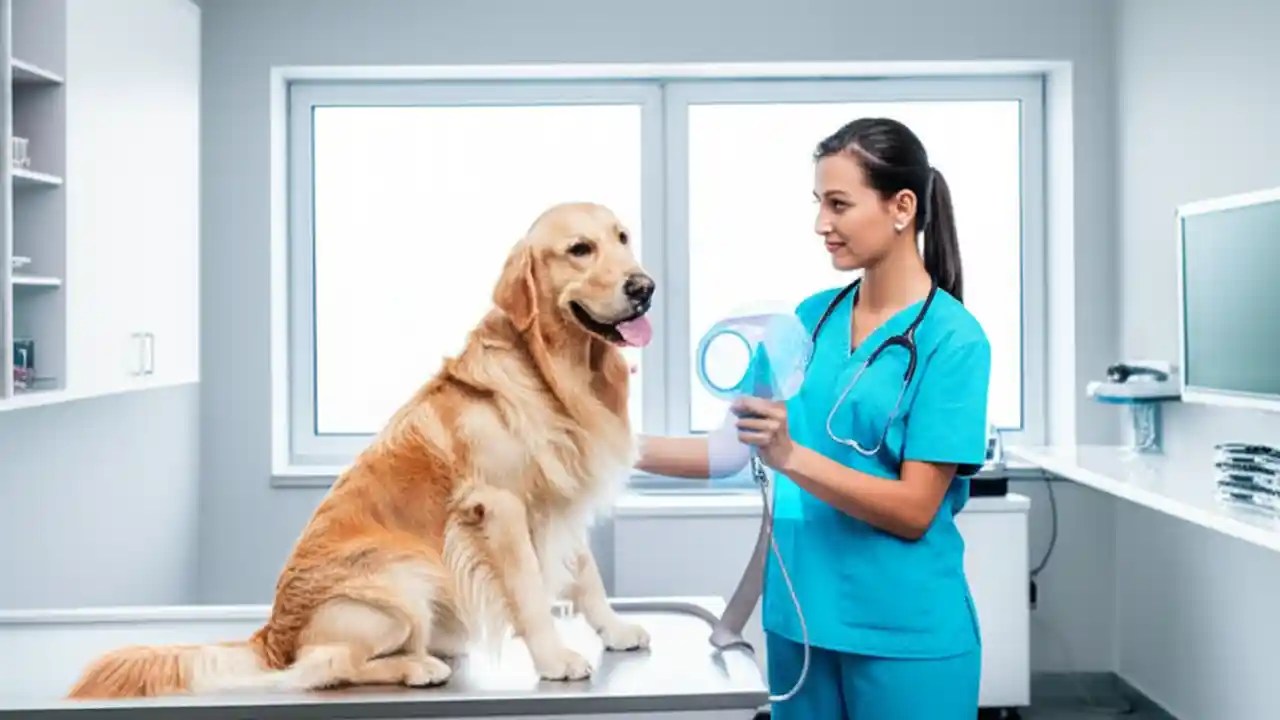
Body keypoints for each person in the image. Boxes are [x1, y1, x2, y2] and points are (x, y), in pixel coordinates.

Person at [636, 117, 992, 719]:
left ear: (902, 206)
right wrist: (589, 444)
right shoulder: (807, 319)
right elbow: (728, 452)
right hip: (801, 622)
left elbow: (913, 510)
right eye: (818, 203)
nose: (821, 224)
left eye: (839, 204)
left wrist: (791, 457)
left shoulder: (954, 339)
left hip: (904, 634)